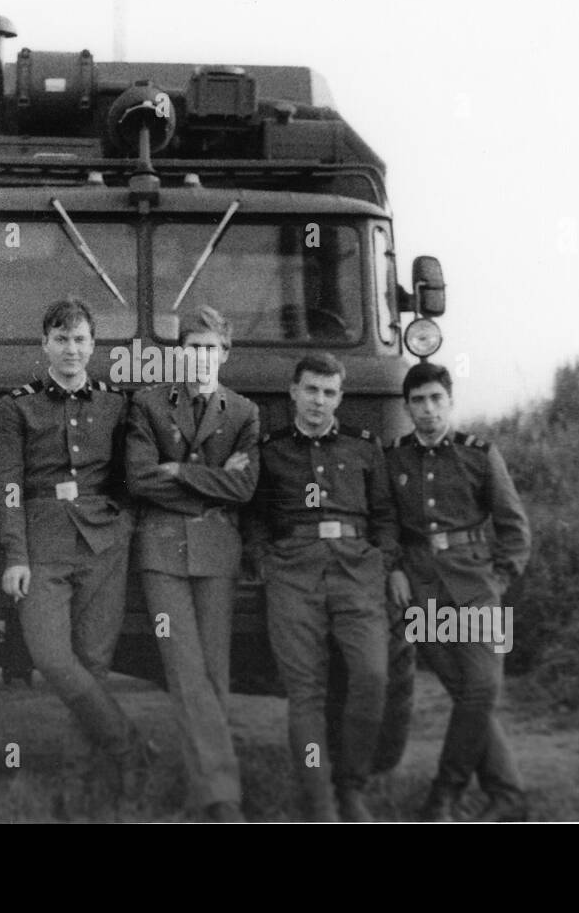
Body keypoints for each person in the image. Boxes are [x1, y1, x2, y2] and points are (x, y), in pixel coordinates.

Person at [0, 297, 152, 819]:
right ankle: (129, 747)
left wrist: (123, 523)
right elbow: (8, 486)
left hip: (104, 544)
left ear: (93, 344)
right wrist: (16, 554)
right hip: (41, 547)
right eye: (61, 339)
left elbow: (131, 477)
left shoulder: (115, 403)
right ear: (45, 345)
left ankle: (78, 788)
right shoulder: (18, 406)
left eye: (81, 339)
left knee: (94, 664)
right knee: (52, 658)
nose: (71, 349)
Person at [124, 305, 260, 822]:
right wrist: (210, 484)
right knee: (185, 672)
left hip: (217, 552)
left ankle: (202, 788)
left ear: (225, 354)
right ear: (180, 353)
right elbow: (139, 480)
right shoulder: (149, 405)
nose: (201, 358)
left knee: (214, 674)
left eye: (211, 349)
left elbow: (244, 488)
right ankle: (223, 799)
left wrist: (177, 469)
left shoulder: (244, 412)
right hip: (161, 552)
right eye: (193, 348)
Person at [381, 361, 531, 822]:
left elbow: (514, 528)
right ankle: (507, 797)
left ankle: (443, 794)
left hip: (475, 586)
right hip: (422, 589)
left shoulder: (479, 454)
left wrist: (498, 582)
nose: (427, 410)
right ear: (407, 407)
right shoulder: (392, 458)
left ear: (450, 402)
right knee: (466, 692)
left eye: (435, 399)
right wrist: (394, 569)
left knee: (482, 688)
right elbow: (385, 524)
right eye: (418, 401)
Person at [248, 352, 393, 822]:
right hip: (293, 572)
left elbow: (385, 516)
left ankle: (351, 786)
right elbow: (252, 518)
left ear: (340, 398)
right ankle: (321, 804)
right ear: (293, 391)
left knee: (371, 676)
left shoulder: (364, 447)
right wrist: (267, 562)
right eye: (311, 390)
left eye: (329, 393)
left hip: (356, 570)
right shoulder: (269, 450)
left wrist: (381, 563)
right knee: (305, 691)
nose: (319, 401)